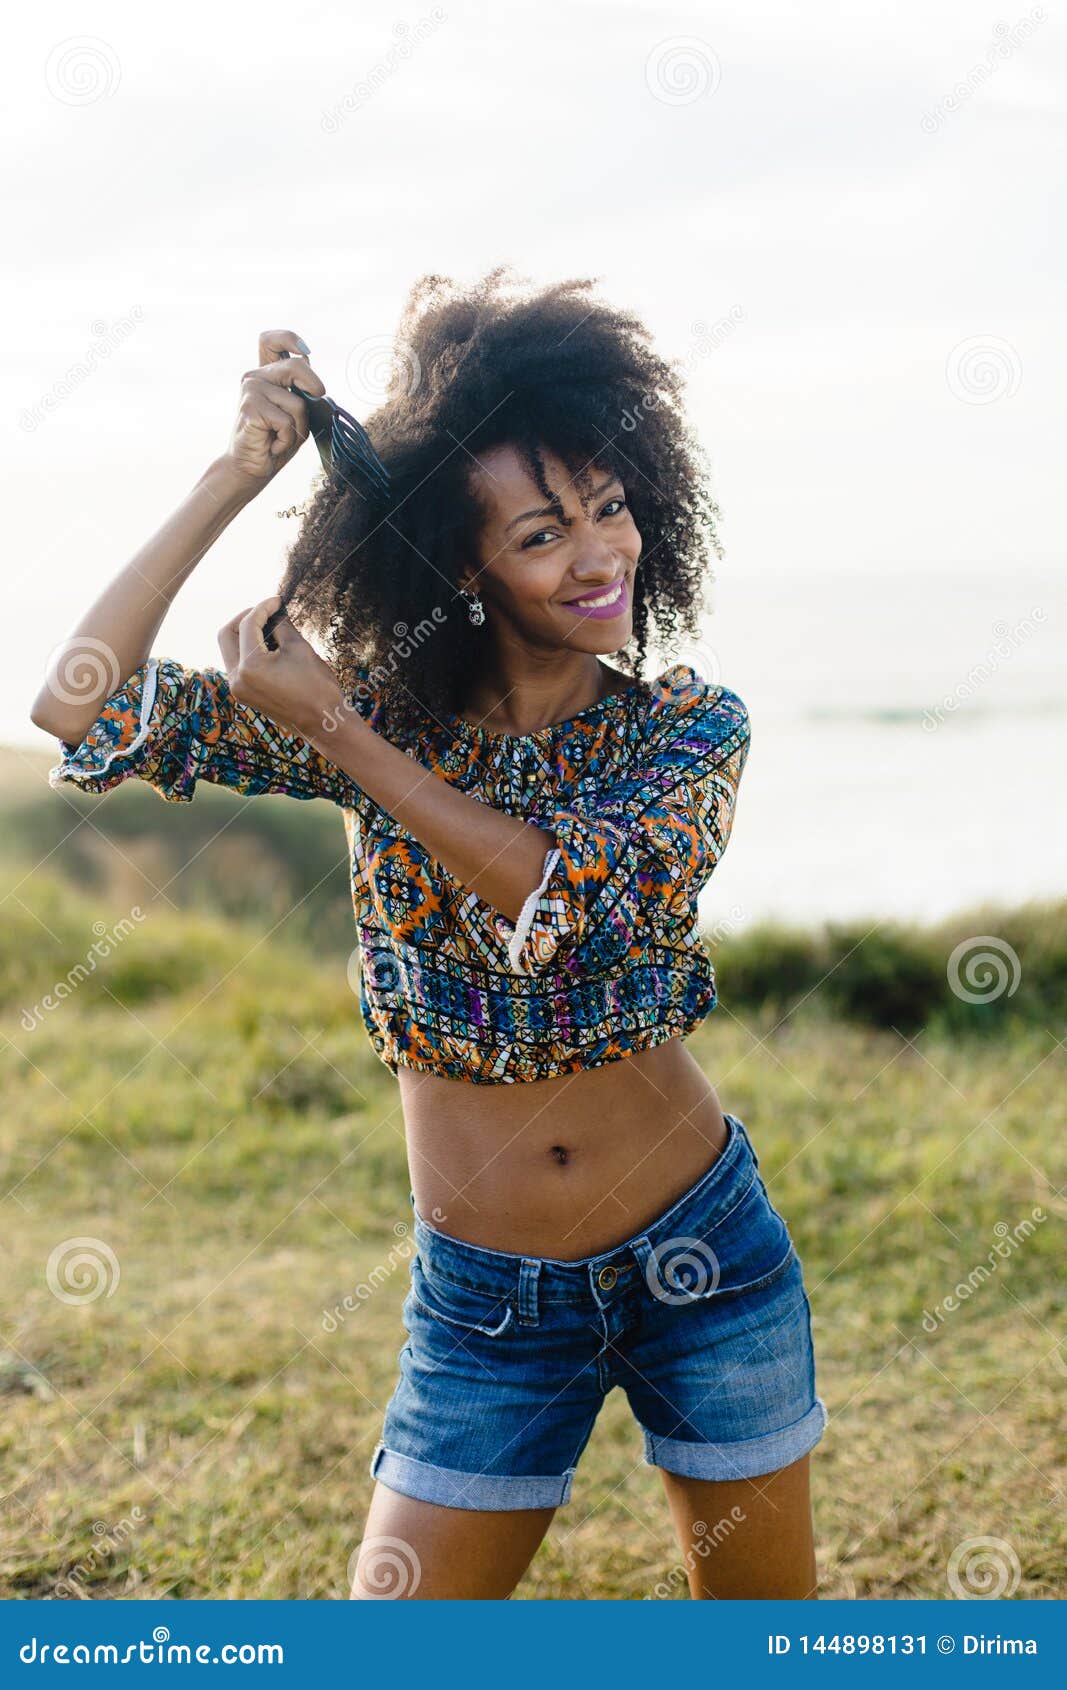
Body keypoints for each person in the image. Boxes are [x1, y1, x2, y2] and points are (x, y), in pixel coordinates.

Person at [31, 272, 826, 1600]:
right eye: (543, 533)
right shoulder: (389, 718)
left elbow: (571, 898)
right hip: (485, 1305)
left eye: (612, 507)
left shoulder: (684, 729)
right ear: (462, 565)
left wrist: (340, 733)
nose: (600, 556)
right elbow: (79, 704)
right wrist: (236, 475)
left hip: (703, 1259)